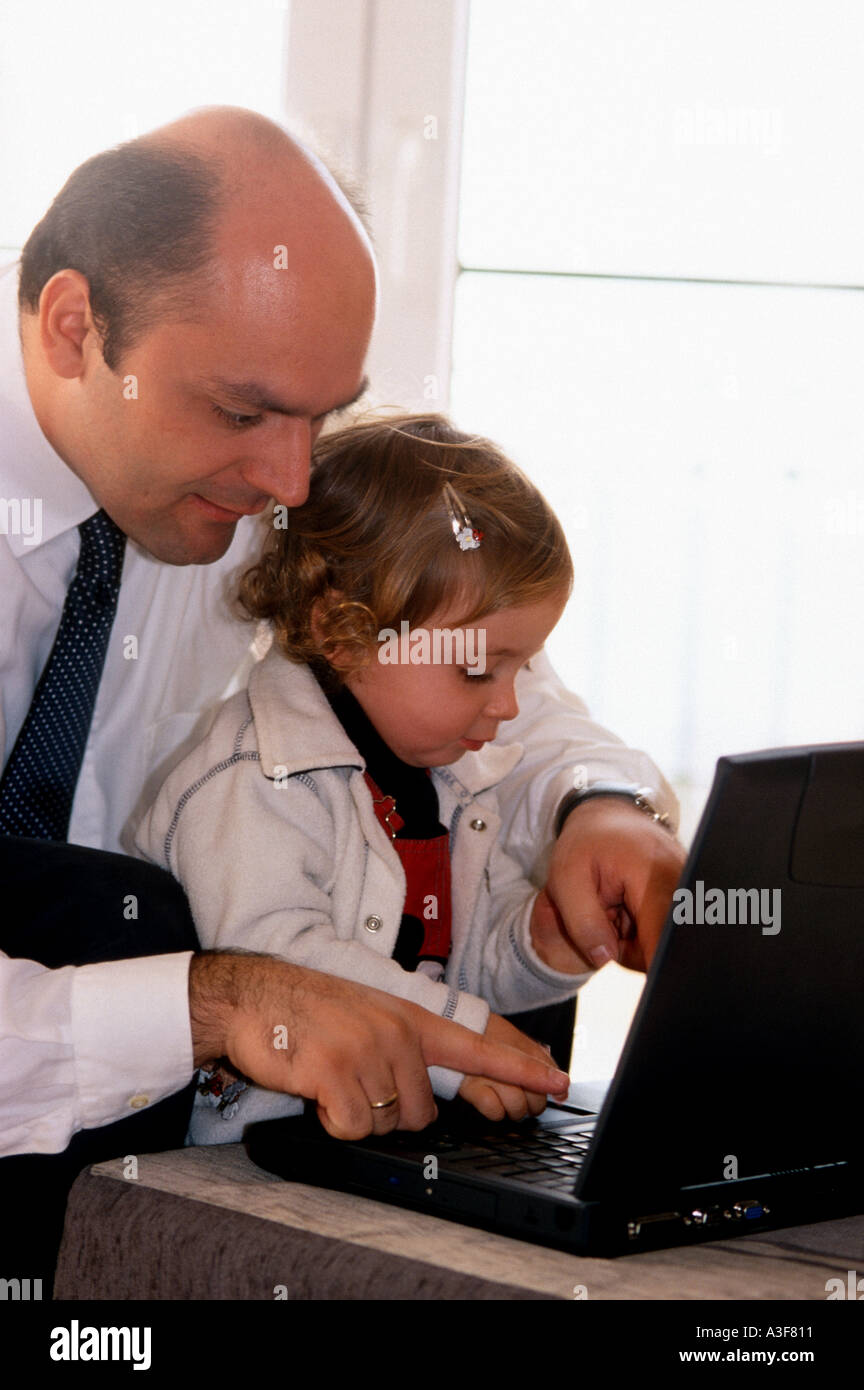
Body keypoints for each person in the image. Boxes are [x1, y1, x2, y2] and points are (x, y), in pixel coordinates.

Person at [0, 107, 682, 1281]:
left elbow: (461, 650)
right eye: (245, 409)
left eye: (323, 411)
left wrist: (594, 807)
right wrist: (211, 1002)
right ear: (75, 329)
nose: (292, 480)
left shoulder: (253, 488)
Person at [137, 413, 603, 1140]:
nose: (509, 704)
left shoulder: (454, 777)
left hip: (382, 1132)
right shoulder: (251, 780)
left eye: (526, 665)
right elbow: (283, 967)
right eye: (479, 668)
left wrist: (540, 947)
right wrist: (467, 1038)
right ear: (344, 632)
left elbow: (454, 969)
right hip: (237, 1155)